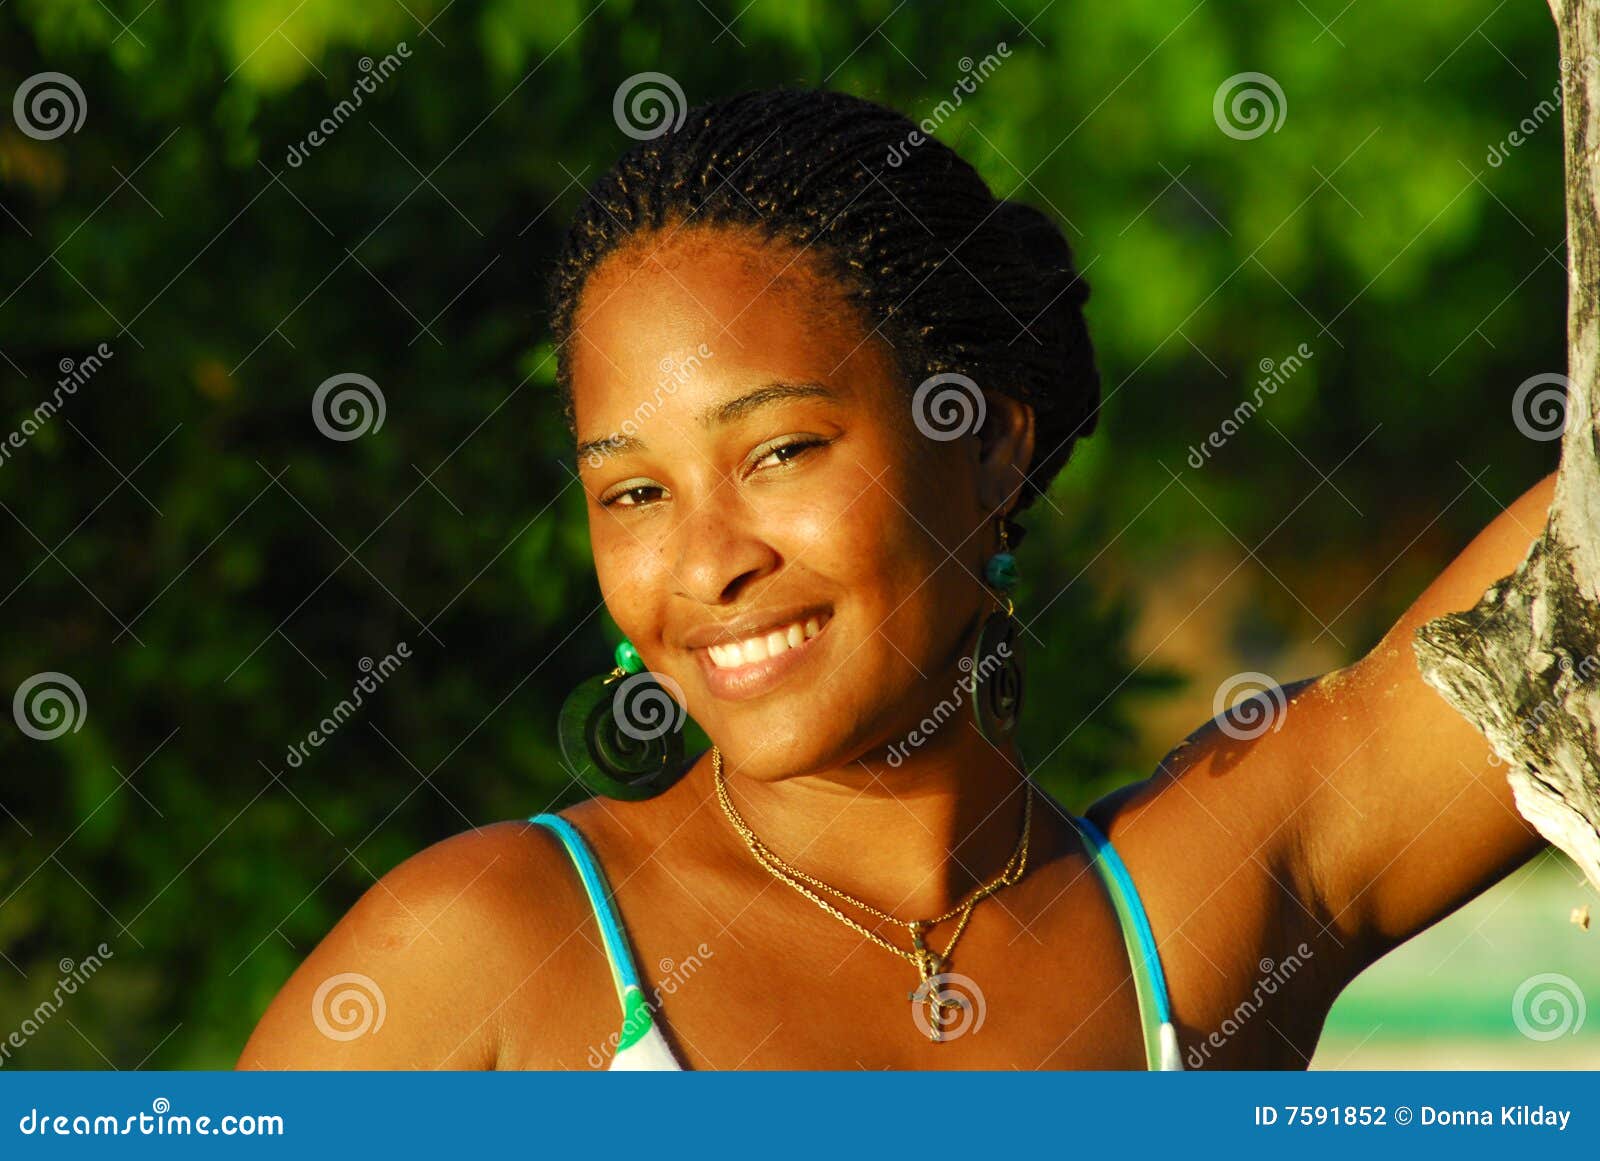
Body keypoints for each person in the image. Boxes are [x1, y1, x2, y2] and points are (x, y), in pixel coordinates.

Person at [238, 88, 1560, 1071]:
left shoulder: (1201, 905)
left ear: (984, 447)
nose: (709, 561)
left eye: (780, 451)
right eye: (633, 492)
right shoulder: (487, 955)